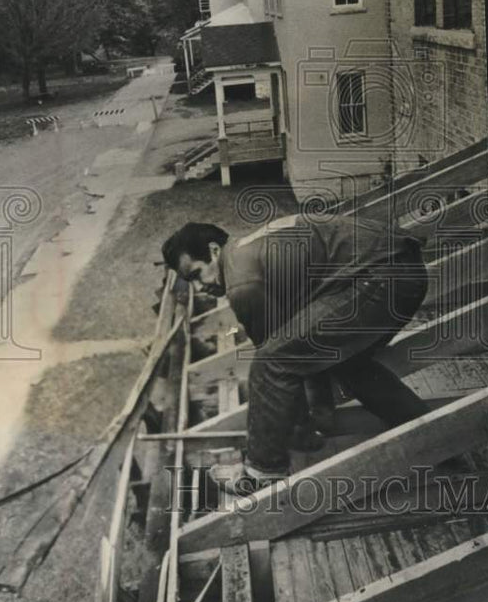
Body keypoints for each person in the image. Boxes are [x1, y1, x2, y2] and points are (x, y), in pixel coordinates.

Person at [162, 212, 431, 495]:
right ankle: (434, 433)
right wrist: (314, 415)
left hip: (382, 276)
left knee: (270, 362)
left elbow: (278, 365)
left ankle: (262, 471)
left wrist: (300, 427)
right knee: (346, 362)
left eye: (196, 274)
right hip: (396, 271)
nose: (198, 287)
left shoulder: (243, 284)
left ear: (213, 251)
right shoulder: (248, 252)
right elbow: (300, 355)